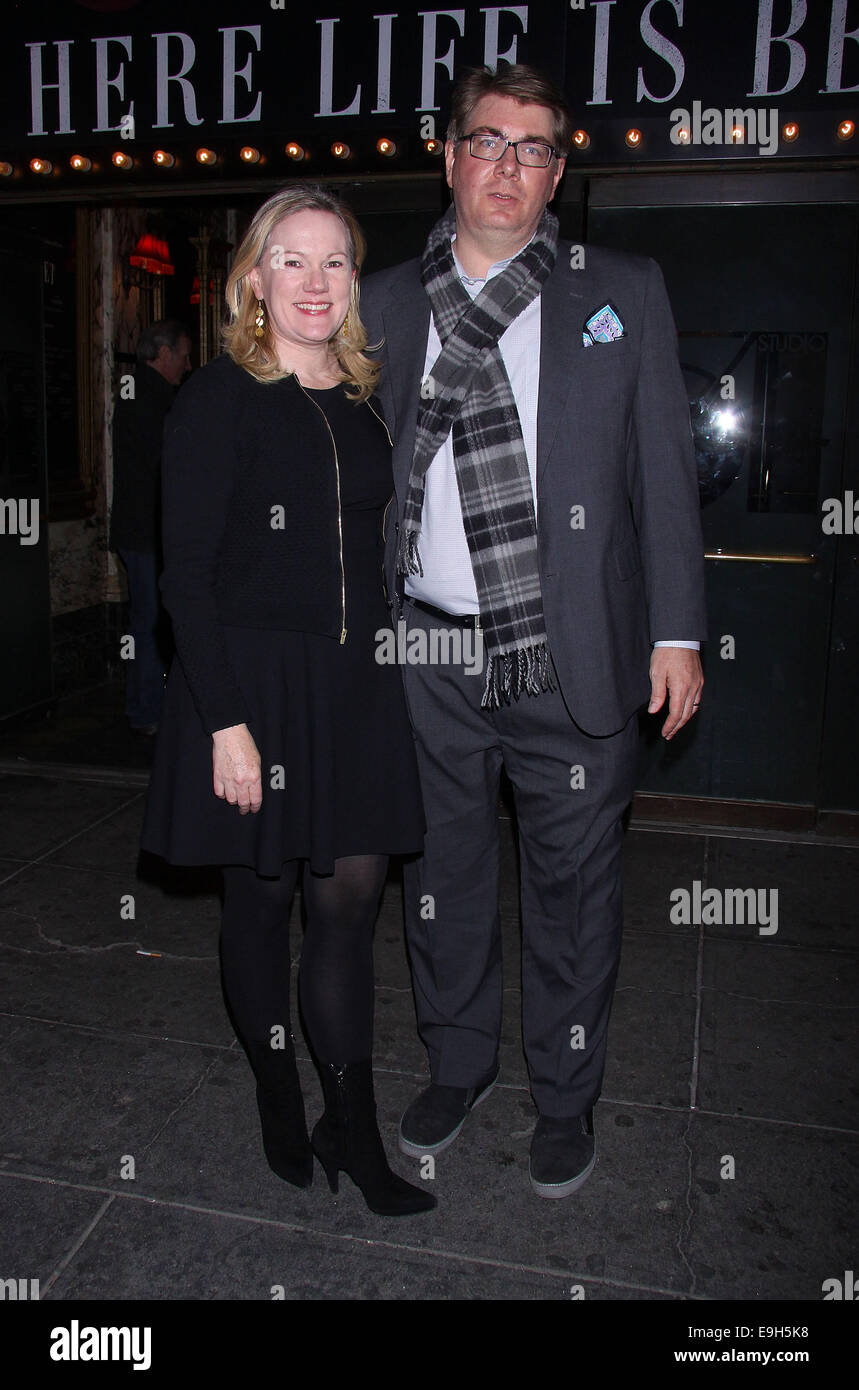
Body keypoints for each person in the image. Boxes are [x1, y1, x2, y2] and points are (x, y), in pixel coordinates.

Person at [360, 63, 707, 1198]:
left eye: (534, 147)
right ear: (448, 155)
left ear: (558, 171)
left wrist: (678, 632)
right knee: (441, 879)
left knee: (572, 893)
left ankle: (564, 1096)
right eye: (486, 141)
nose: (507, 165)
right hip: (429, 654)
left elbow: (664, 475)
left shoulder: (623, 289)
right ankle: (456, 1064)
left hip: (577, 657)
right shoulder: (385, 301)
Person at [140, 186, 434, 1217]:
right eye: (293, 261)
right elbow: (186, 577)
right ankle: (277, 1091)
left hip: (351, 688)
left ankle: (348, 1127)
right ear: (254, 279)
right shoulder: (219, 397)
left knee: (347, 908)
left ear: (355, 281)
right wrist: (224, 721)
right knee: (259, 901)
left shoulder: (362, 395)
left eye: (335, 262)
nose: (315, 283)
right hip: (252, 689)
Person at [110, 319, 191, 735]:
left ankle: (149, 707)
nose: (186, 363)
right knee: (149, 622)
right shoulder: (151, 396)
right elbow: (165, 469)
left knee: (149, 620)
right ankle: (147, 711)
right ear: (162, 354)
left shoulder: (138, 391)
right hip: (146, 531)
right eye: (182, 354)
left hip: (139, 529)